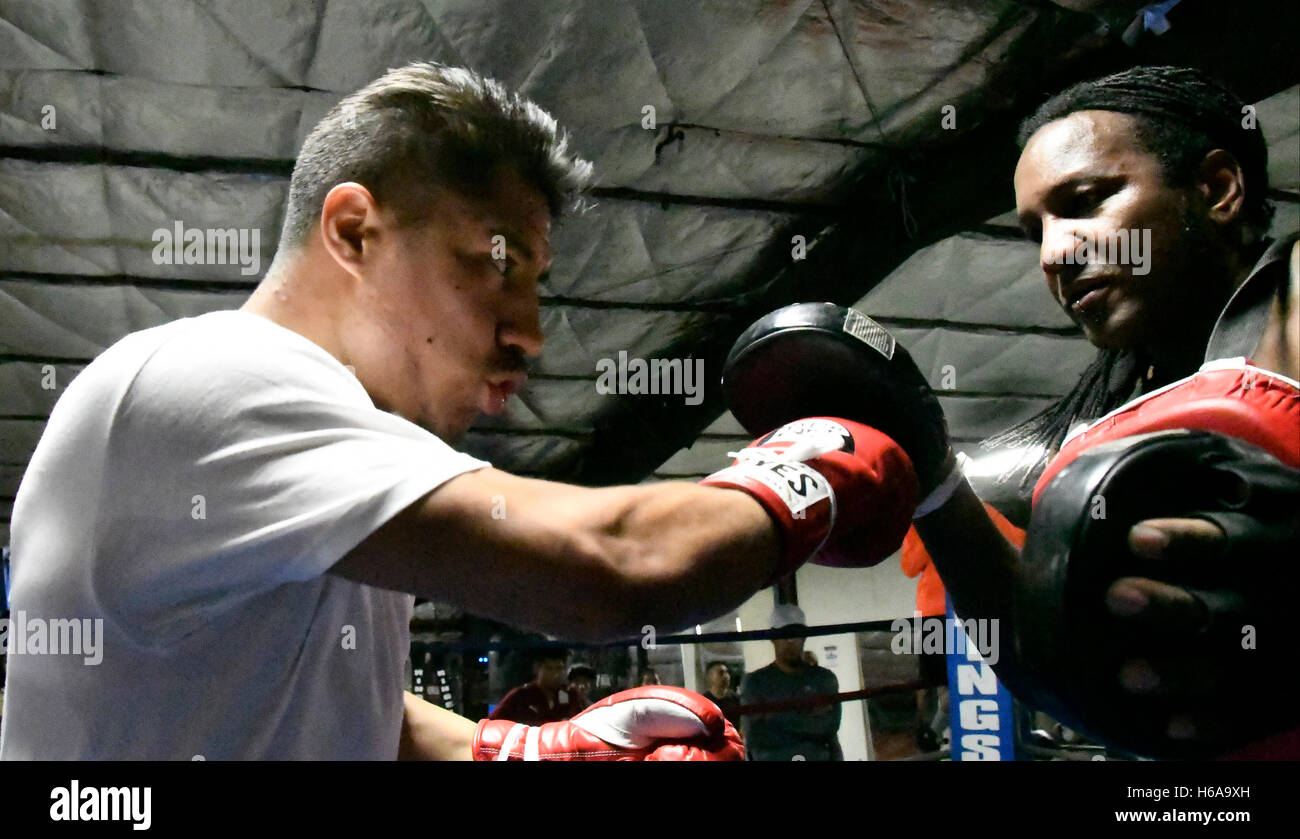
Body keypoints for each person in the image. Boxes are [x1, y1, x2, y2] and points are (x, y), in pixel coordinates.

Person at [0, 62, 918, 760]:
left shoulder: (340, 453)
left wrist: (517, 747)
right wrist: (831, 461)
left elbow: (341, 708)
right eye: (499, 262)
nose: (531, 333)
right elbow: (614, 564)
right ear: (355, 231)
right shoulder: (210, 376)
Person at [913, 65, 1297, 754]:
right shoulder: (1093, 425)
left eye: (1087, 200)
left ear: (1217, 189)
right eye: (1037, 232)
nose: (1055, 254)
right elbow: (1059, 675)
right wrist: (930, 478)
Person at [739, 605, 843, 761]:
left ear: (804, 637)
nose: (791, 641)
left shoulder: (824, 679)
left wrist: (773, 717)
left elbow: (829, 727)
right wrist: (807, 718)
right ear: (773, 638)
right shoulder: (755, 682)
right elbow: (755, 736)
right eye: (785, 635)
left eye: (796, 635)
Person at [489, 650, 589, 724]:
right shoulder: (520, 696)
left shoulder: (572, 695)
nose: (555, 674)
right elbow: (492, 723)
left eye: (559, 668)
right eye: (549, 668)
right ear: (537, 669)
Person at [702, 661, 742, 729]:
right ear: (710, 677)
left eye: (727, 672)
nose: (726, 676)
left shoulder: (736, 699)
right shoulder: (703, 701)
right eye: (721, 673)